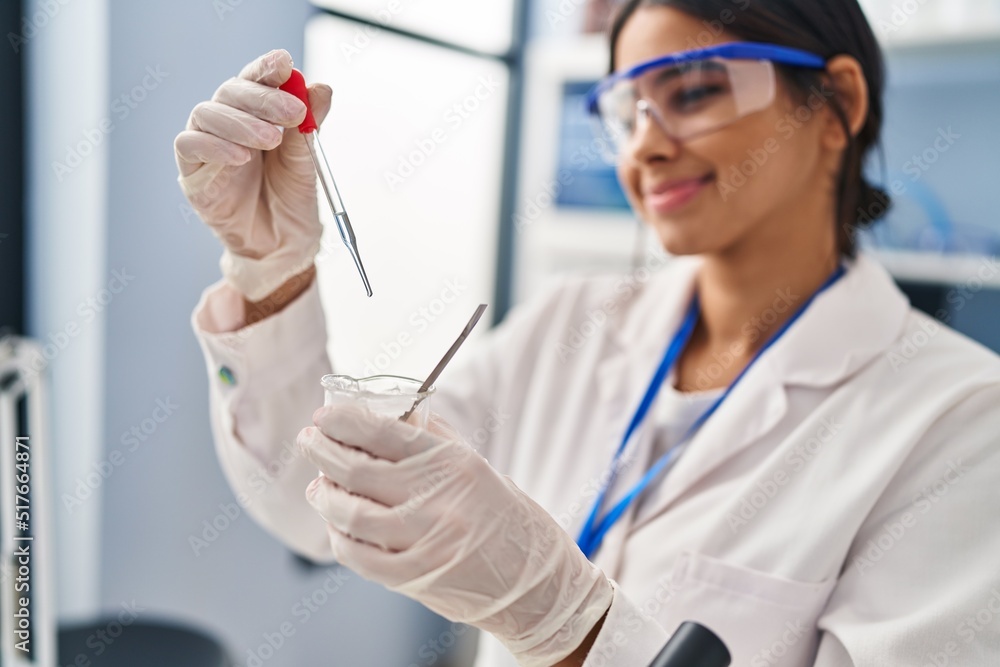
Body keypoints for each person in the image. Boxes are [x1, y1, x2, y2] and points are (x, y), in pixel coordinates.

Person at [176, 1, 1000, 665]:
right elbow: (319, 507)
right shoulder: (571, 325)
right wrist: (269, 267)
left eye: (696, 91)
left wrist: (564, 623)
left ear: (838, 105)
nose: (646, 144)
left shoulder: (963, 424)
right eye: (628, 109)